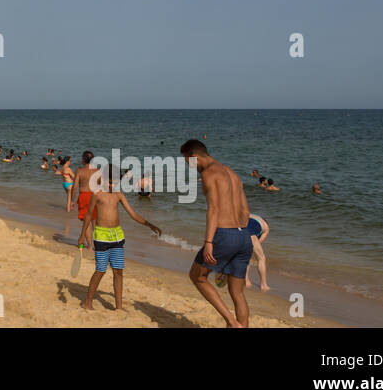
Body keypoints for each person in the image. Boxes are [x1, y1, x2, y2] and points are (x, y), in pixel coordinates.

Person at [181, 139, 252, 328]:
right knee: (237, 293)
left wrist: (209, 241)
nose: (189, 166)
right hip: (244, 236)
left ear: (194, 156)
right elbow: (246, 212)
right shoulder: (233, 174)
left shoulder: (208, 174)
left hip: (223, 235)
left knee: (197, 276)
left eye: (187, 162)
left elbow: (213, 209)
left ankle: (231, 322)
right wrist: (239, 236)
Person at [79, 167, 162, 311]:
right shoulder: (97, 194)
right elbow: (88, 215)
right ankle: (88, 302)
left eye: (115, 182)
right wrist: (82, 236)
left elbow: (132, 214)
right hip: (101, 236)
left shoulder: (118, 195)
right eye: (110, 182)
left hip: (117, 236)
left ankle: (119, 307)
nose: (112, 185)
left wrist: (149, 224)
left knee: (118, 271)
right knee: (100, 270)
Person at [70, 151, 98, 241]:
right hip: (94, 196)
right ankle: (97, 246)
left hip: (83, 196)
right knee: (94, 222)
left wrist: (72, 200)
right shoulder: (97, 171)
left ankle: (89, 246)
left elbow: (75, 187)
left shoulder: (79, 171)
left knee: (86, 222)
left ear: (83, 160)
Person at [245, 213, 271, 292]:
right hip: (251, 234)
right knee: (261, 258)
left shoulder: (251, 215)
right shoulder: (266, 227)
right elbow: (259, 242)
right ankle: (264, 285)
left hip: (238, 232)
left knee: (245, 257)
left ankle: (246, 281)